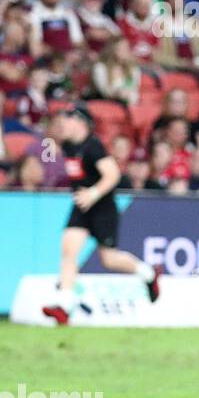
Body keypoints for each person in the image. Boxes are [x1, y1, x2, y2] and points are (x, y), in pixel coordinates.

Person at [40, 105, 162, 325]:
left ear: (80, 122)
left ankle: (148, 274)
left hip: (102, 207)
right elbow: (47, 155)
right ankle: (64, 305)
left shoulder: (93, 147)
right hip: (82, 205)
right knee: (68, 250)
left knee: (110, 259)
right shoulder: (68, 145)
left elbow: (112, 174)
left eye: (66, 121)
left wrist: (93, 193)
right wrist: (47, 141)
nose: (62, 125)